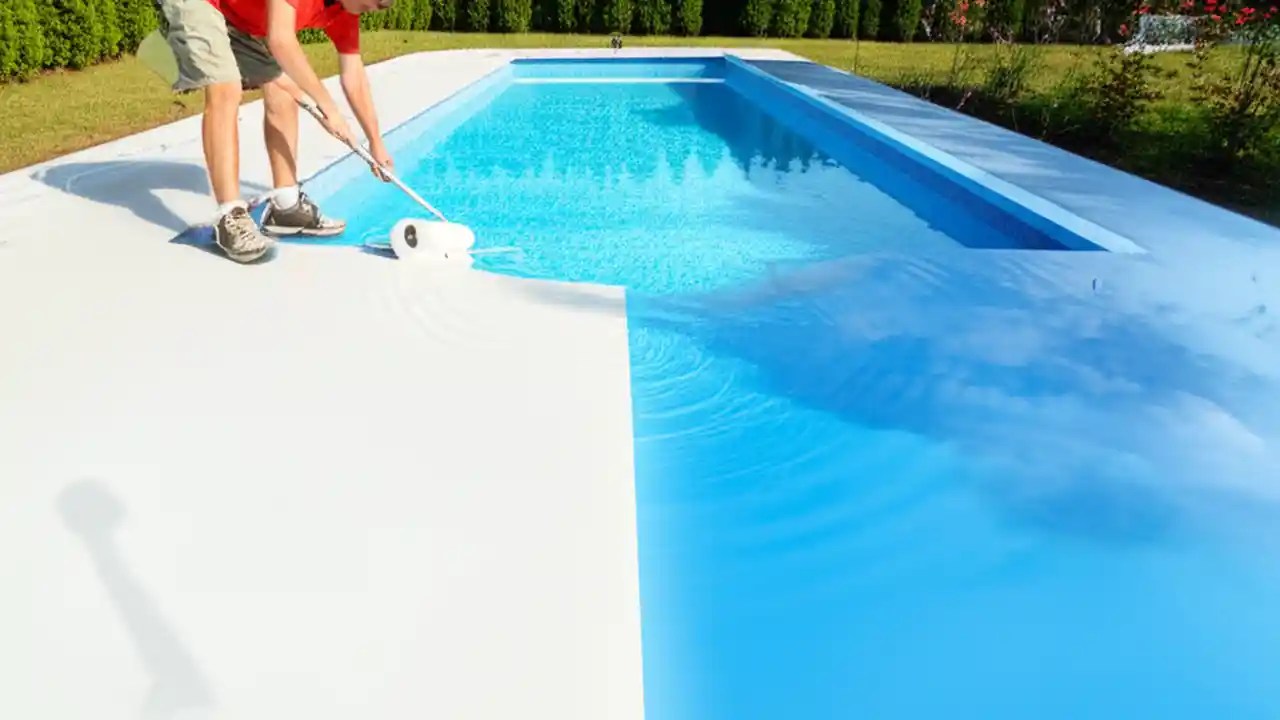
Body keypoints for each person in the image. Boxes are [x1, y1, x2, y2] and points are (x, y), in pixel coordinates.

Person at [155, 0, 397, 263]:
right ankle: (230, 216)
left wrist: (375, 141)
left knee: (284, 90)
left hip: (237, 15)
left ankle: (286, 205)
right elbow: (281, 41)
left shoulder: (345, 13)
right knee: (225, 87)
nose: (372, 10)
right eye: (371, 4)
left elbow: (355, 77)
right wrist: (329, 107)